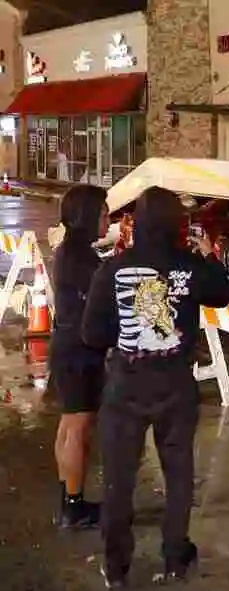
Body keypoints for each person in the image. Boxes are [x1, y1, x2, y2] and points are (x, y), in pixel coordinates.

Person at [82, 186, 229, 590]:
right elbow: (221, 295)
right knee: (179, 473)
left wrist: (128, 332)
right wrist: (208, 253)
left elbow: (92, 335)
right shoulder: (190, 264)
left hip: (128, 382)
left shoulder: (112, 270)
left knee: (119, 479)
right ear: (177, 226)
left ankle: (116, 568)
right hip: (176, 382)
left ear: (138, 224)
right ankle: (174, 559)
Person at [51, 184, 109, 529]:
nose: (108, 219)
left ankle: (68, 499)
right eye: (103, 213)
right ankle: (74, 507)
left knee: (69, 424)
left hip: (66, 347)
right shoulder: (81, 256)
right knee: (79, 428)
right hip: (79, 352)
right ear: (87, 216)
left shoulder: (70, 250)